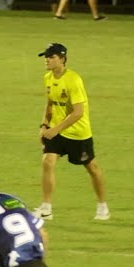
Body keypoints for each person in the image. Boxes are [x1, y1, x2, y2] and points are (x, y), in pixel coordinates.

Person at [36, 43, 109, 221]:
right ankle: (46, 208)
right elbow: (50, 103)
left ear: (62, 59)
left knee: (92, 167)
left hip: (77, 132)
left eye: (51, 56)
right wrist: (44, 125)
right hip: (56, 130)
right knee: (48, 161)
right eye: (46, 56)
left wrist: (55, 129)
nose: (47, 59)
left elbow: (78, 112)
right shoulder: (48, 77)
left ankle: (102, 206)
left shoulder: (74, 80)